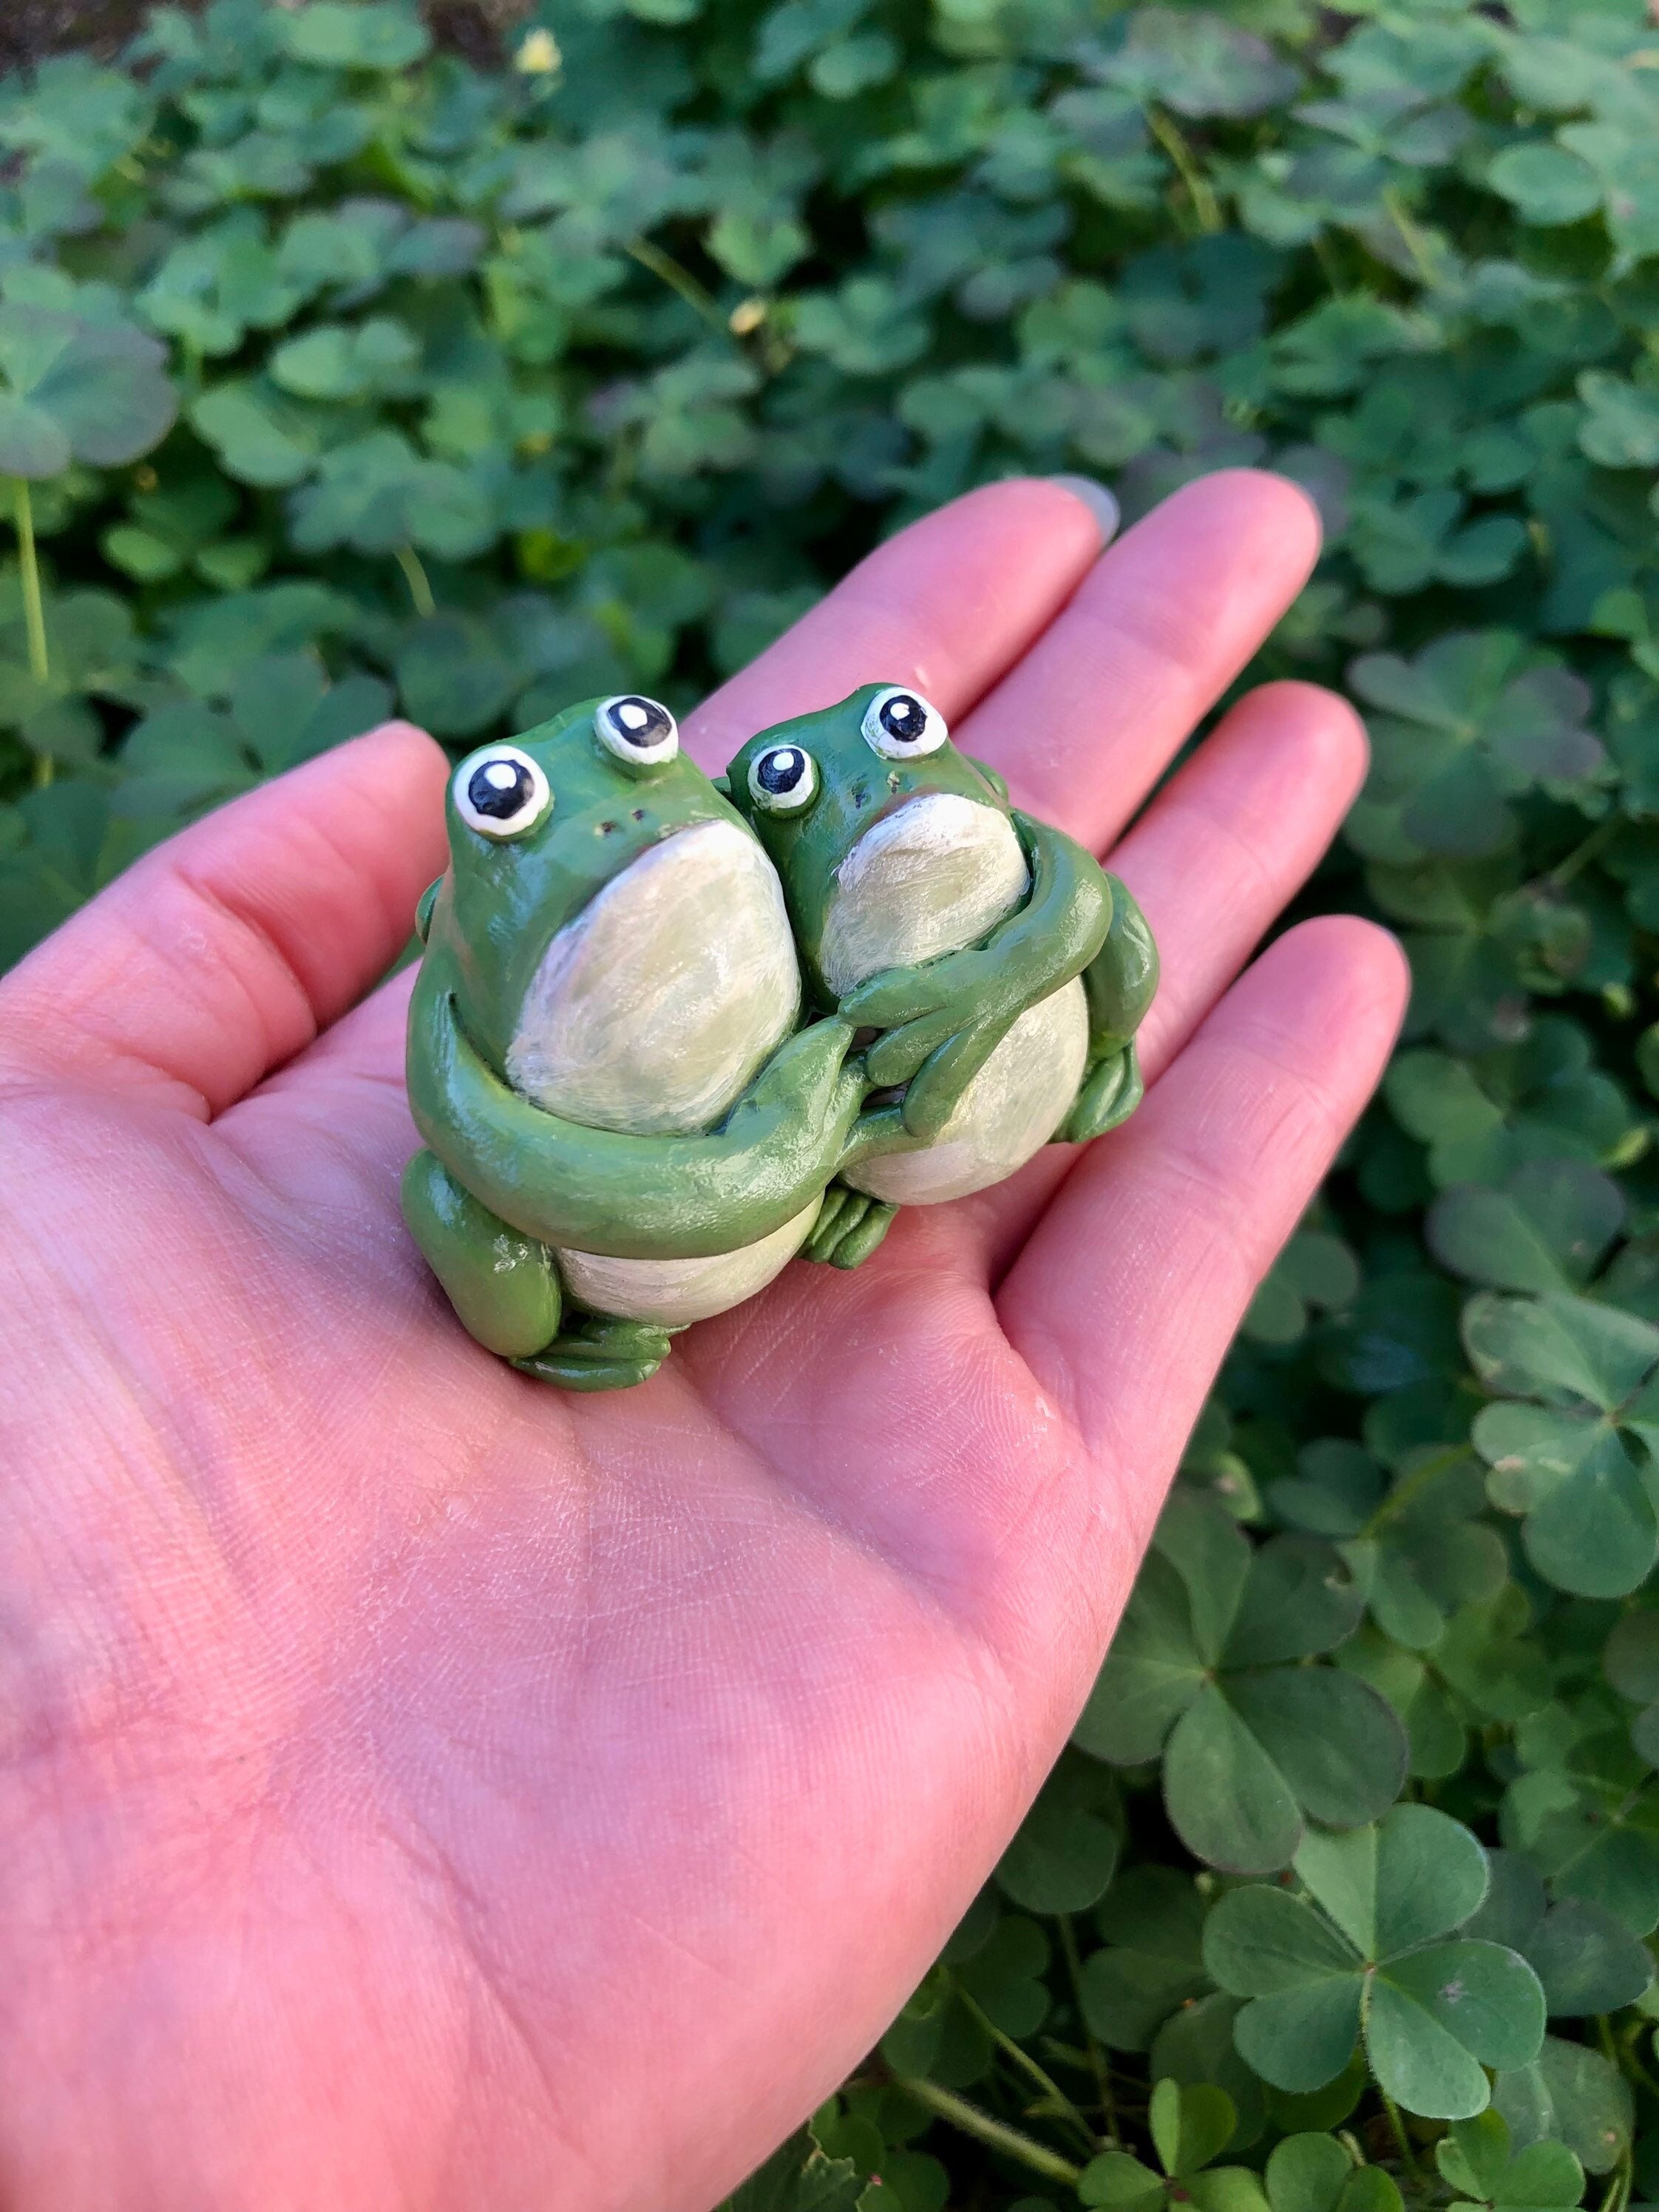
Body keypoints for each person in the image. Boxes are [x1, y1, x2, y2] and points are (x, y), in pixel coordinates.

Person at [0, 470, 1405, 2211]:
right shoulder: (485, 990)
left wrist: (975, 1014)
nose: (619, 805)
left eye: (654, 750)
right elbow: (599, 1168)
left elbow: (1072, 906)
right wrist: (802, 1119)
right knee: (499, 1235)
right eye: (517, 797)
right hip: (613, 1250)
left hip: (871, 1134)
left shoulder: (862, 881)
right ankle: (576, 1322)